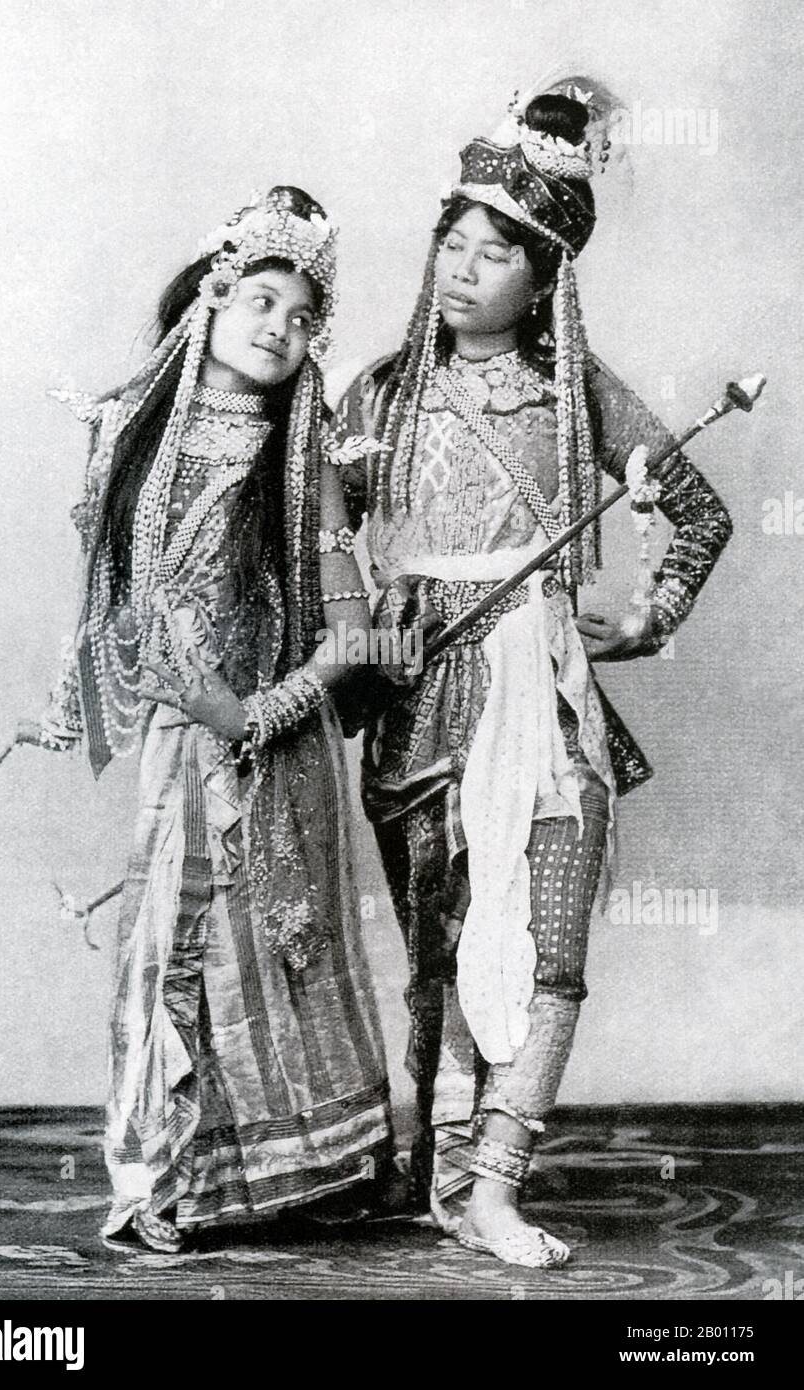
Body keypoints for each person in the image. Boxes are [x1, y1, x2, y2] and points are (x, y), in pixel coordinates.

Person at [334, 87, 733, 1267]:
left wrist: (644, 616)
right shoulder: (377, 394)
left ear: (543, 270)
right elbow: (311, 542)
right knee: (442, 957)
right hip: (417, 708)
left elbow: (698, 516)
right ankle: (440, 1173)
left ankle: (498, 1185)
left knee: (552, 946)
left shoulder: (582, 398)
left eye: (493, 250)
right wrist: (360, 628)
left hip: (547, 700)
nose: (461, 269)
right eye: (449, 243)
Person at [10, 187, 393, 1252]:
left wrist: (264, 709)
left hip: (283, 739)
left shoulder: (304, 457)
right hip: (186, 746)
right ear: (208, 300)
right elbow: (127, 613)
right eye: (260, 298)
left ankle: (306, 1170)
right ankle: (174, 1181)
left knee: (288, 943)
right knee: (180, 946)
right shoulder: (136, 444)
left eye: (304, 315)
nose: (280, 327)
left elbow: (352, 630)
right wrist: (202, 706)